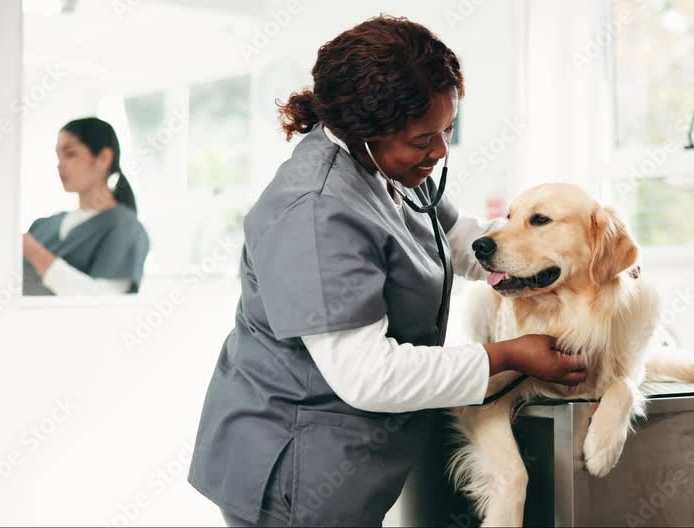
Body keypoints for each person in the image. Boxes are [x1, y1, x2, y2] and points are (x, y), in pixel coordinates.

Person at [187, 15, 588, 527]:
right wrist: (507, 356)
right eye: (425, 138)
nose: (440, 150)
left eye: (448, 129)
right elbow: (368, 375)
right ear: (366, 130)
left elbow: (458, 240)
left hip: (352, 460)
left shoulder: (390, 167)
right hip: (293, 471)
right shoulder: (315, 211)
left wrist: (558, 254)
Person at [22, 117, 150, 295]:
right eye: (58, 156)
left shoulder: (124, 227)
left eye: (70, 154)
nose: (60, 164)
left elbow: (104, 301)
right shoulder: (42, 226)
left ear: (103, 158)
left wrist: (34, 252)